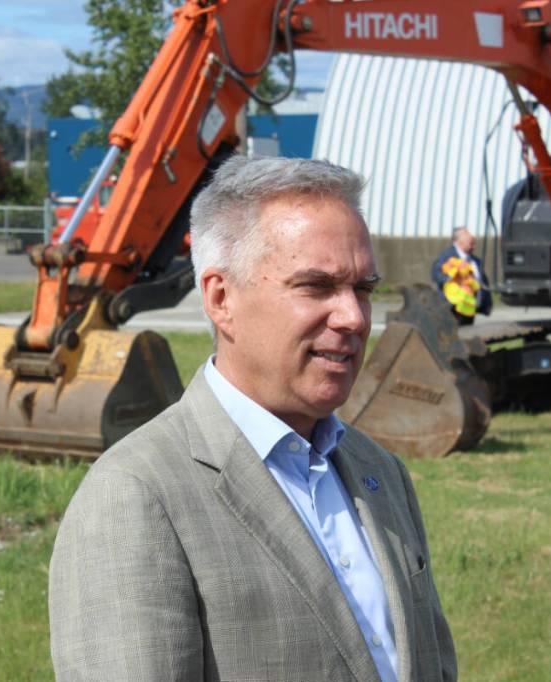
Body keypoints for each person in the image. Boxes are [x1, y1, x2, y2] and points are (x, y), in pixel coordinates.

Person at [49, 156, 457, 681]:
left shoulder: (381, 473)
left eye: (363, 288)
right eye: (316, 287)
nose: (354, 317)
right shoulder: (136, 495)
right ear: (221, 298)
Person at [431, 227, 492, 325]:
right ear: (460, 242)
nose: (474, 246)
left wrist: (486, 303)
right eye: (471, 243)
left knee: (468, 334)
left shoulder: (475, 260)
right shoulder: (447, 256)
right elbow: (436, 274)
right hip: (453, 308)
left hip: (469, 306)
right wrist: (454, 281)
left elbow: (482, 281)